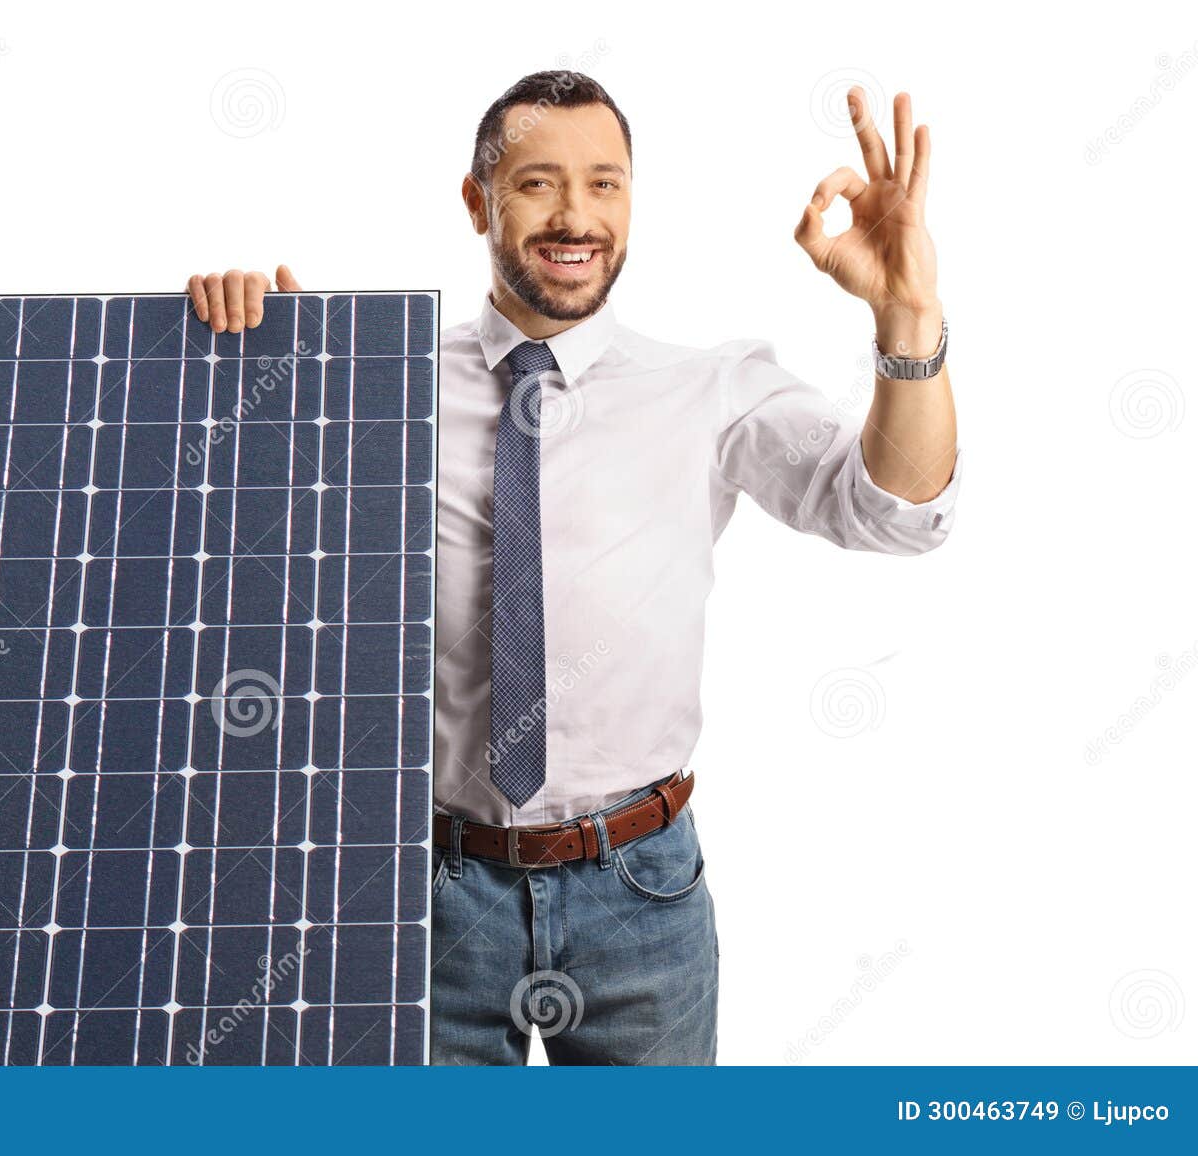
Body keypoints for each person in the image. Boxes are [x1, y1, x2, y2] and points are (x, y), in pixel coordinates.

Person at [185, 70, 959, 1065]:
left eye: (605, 183)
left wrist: (907, 317)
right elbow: (225, 557)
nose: (575, 215)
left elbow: (898, 513)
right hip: (425, 894)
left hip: (642, 893)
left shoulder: (708, 387)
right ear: (477, 200)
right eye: (539, 181)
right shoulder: (375, 379)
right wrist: (231, 364)